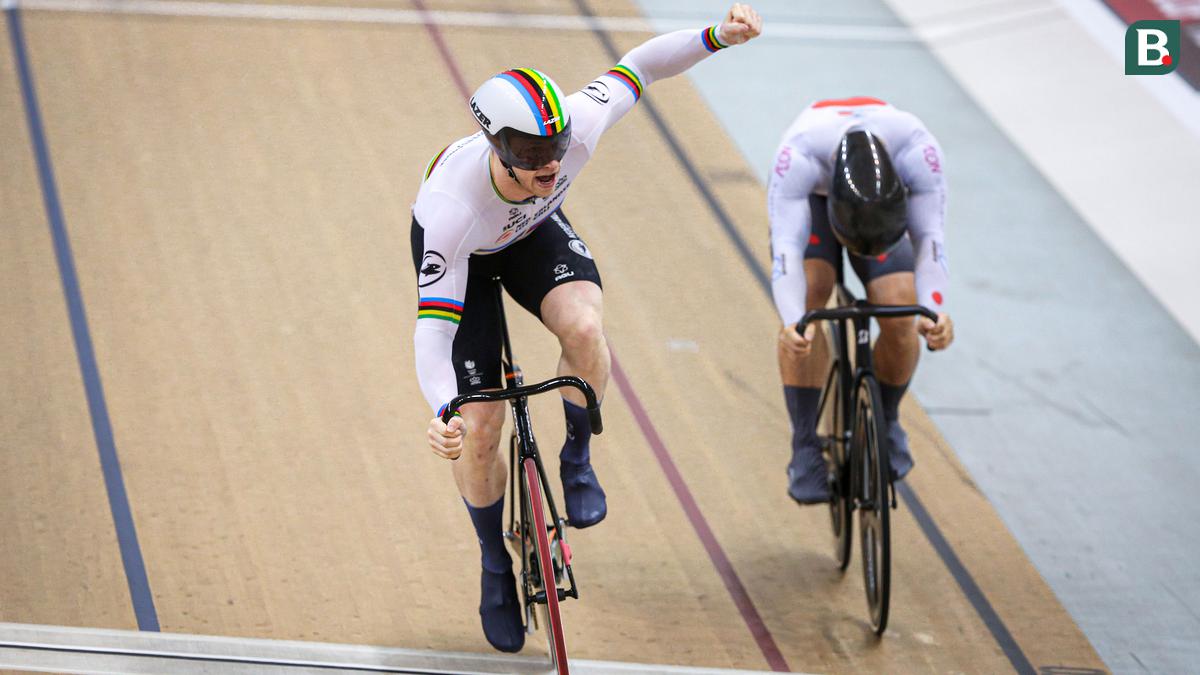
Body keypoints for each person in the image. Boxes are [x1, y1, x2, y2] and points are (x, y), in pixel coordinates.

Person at [411, 5, 763, 652]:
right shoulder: (449, 210)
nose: (550, 163)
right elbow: (433, 332)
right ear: (497, 145)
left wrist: (717, 36)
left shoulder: (578, 125)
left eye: (556, 146)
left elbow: (641, 65)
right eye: (531, 153)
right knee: (481, 426)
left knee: (585, 327)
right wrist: (442, 407)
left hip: (532, 233)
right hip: (470, 258)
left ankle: (577, 451)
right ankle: (495, 561)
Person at [767, 97, 955, 504]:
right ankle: (804, 446)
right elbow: (786, 249)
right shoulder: (798, 155)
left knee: (900, 305)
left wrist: (935, 310)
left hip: (882, 206)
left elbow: (931, 241)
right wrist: (793, 320)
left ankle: (886, 418)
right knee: (812, 295)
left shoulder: (918, 152)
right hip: (815, 199)